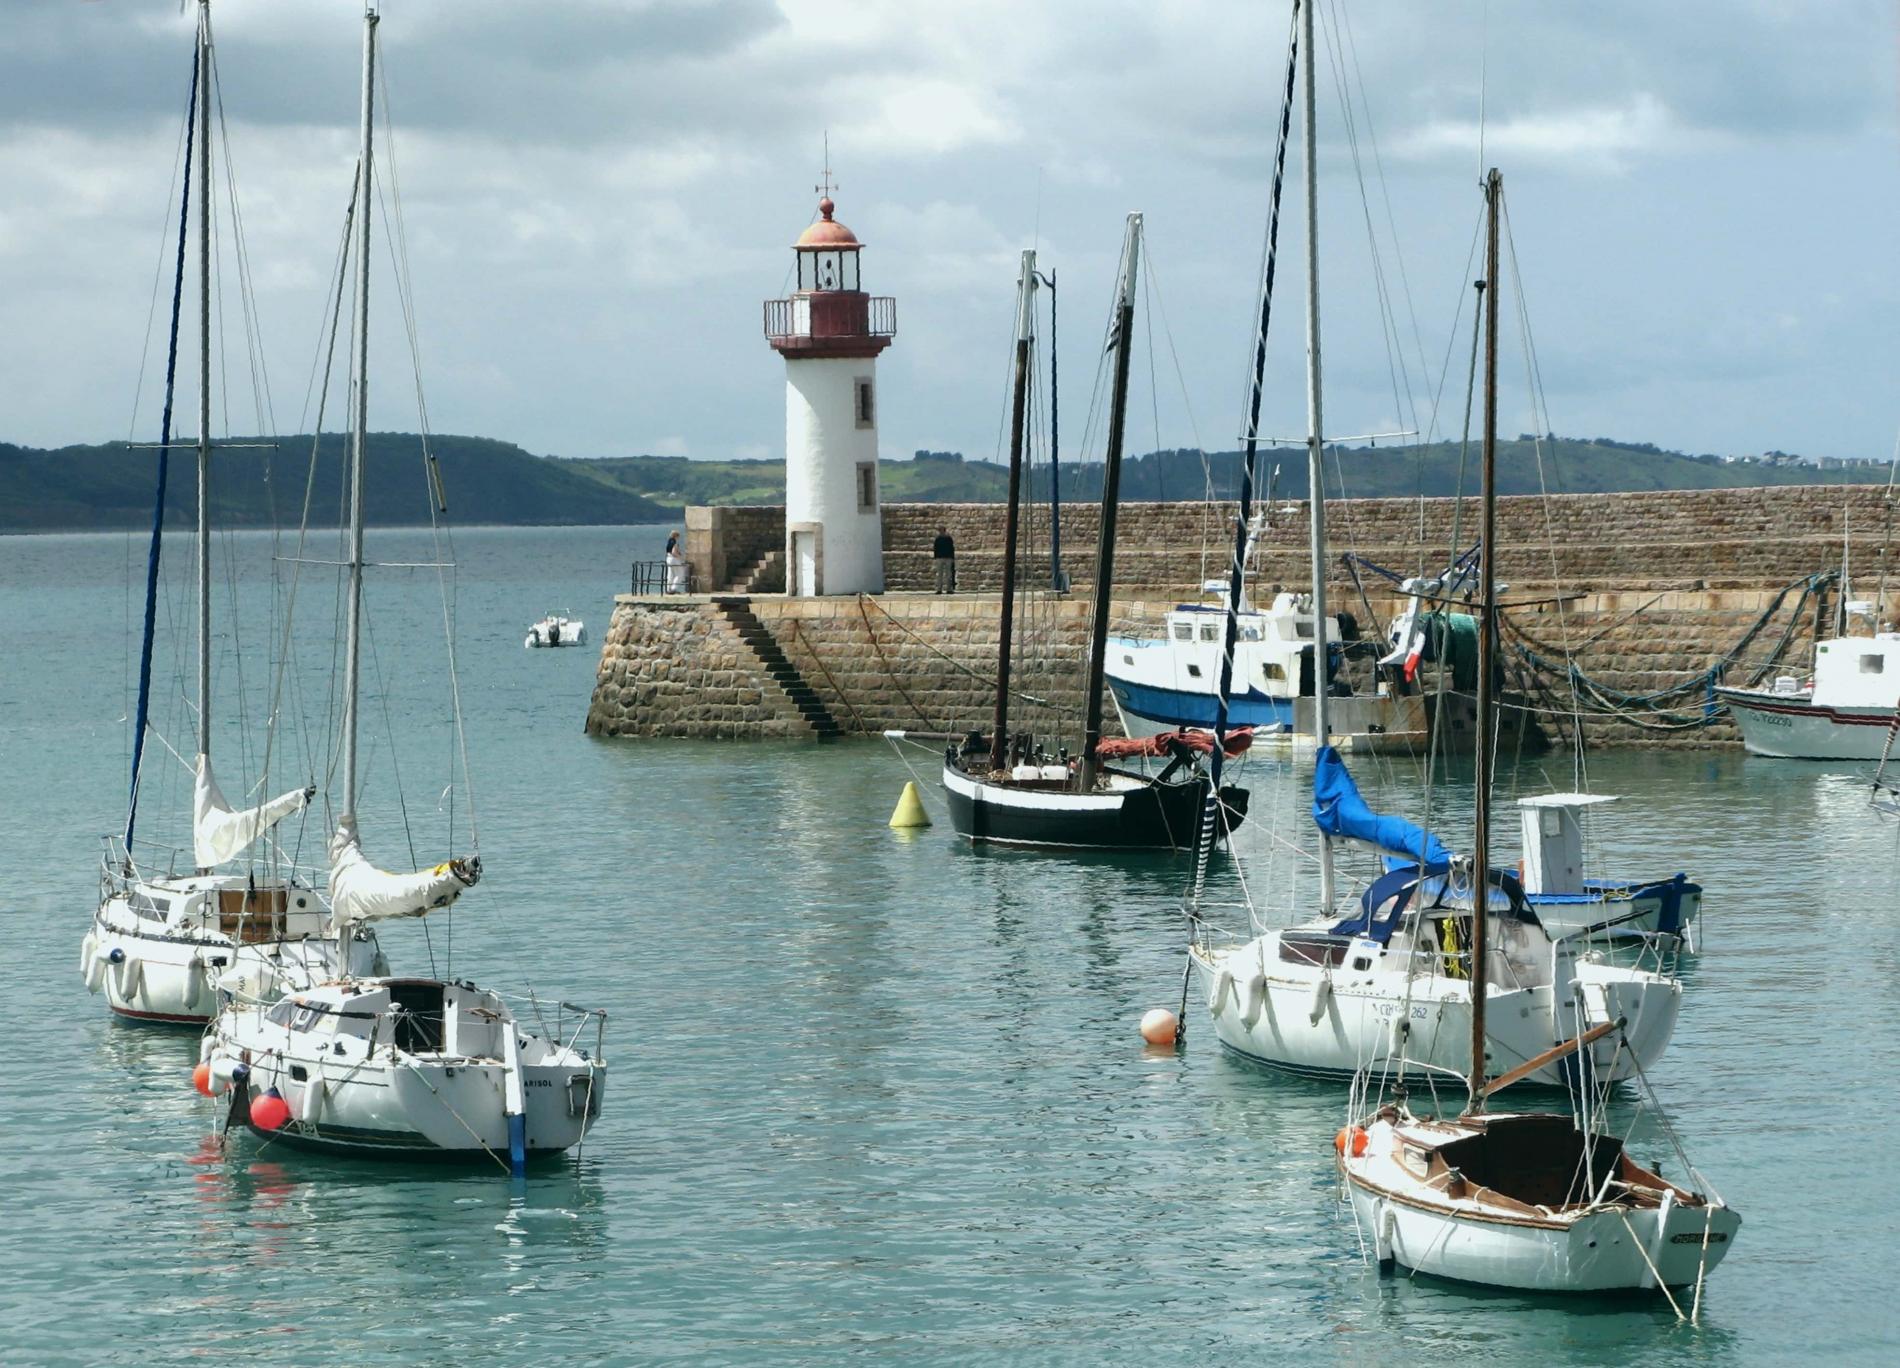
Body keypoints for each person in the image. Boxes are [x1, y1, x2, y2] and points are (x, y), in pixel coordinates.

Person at [932, 528, 955, 594]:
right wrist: (936, 557)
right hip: (940, 558)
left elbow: (951, 548)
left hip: (948, 558)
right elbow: (935, 548)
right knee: (939, 574)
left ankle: (949, 589)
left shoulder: (948, 538)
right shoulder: (938, 539)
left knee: (948, 574)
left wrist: (952, 557)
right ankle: (939, 589)